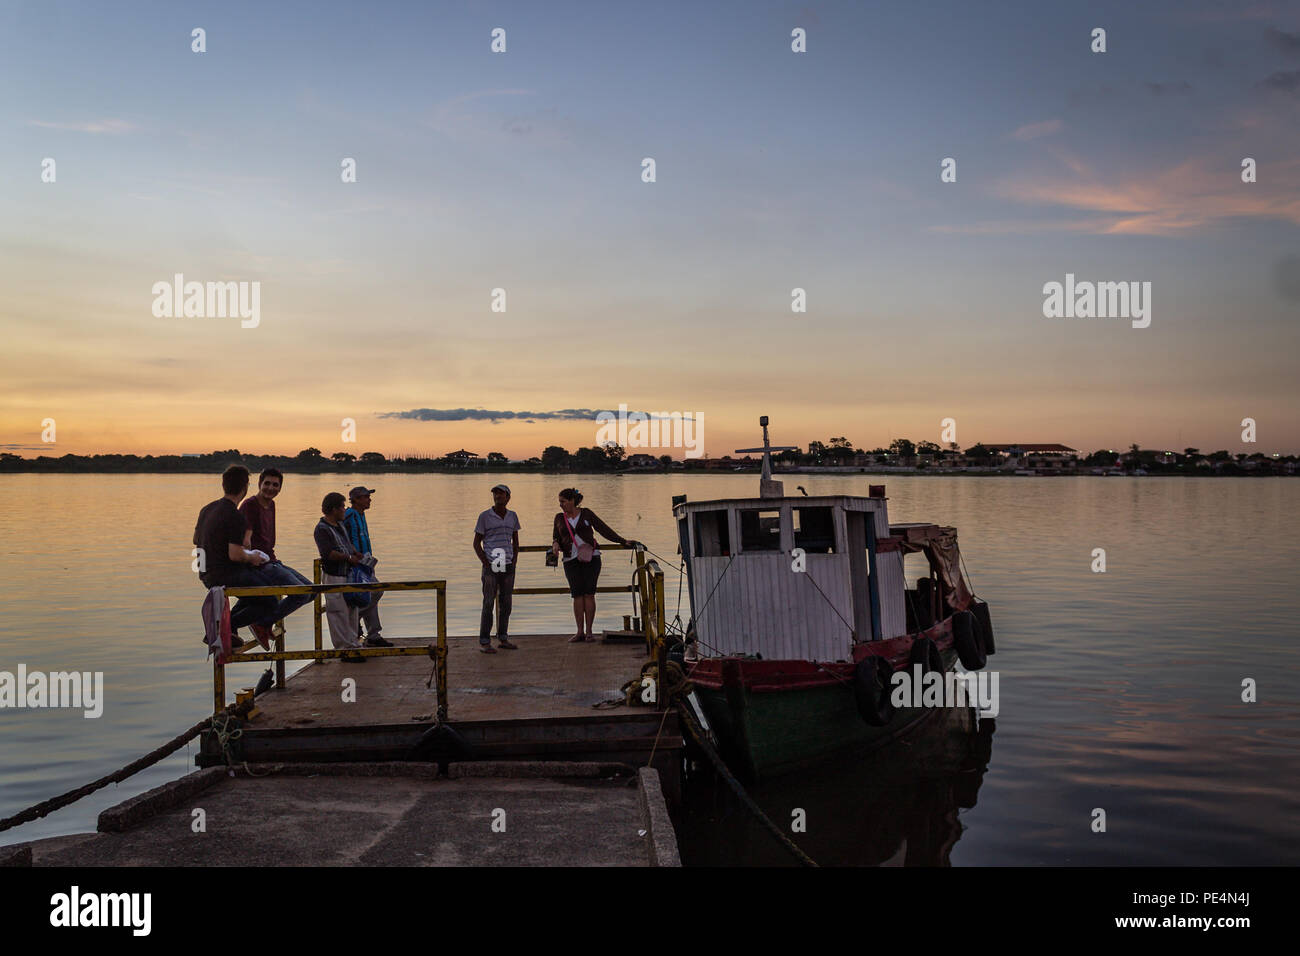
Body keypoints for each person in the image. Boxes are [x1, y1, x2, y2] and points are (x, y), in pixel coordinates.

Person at [193, 465, 305, 650]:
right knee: (269, 599)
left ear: (223, 485)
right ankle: (223, 629)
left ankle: (230, 628)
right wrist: (252, 557)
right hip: (226, 574)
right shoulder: (235, 515)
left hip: (205, 573)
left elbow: (196, 539)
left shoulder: (207, 509)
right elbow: (235, 555)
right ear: (246, 487)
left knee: (256, 593)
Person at [550, 488, 636, 642]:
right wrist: (555, 544)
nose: (561, 505)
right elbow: (556, 535)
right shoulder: (559, 517)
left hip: (592, 558)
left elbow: (603, 529)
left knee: (589, 594)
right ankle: (579, 632)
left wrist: (622, 541)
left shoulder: (586, 513)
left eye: (563, 501)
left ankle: (589, 632)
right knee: (576, 595)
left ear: (572, 501)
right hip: (570, 559)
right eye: (560, 502)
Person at [237, 467, 313, 637]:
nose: (271, 488)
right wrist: (250, 563)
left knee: (311, 591)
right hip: (259, 564)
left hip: (272, 560)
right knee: (300, 593)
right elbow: (245, 540)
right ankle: (262, 624)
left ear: (280, 487)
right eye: (267, 483)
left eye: (275, 485)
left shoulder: (271, 505)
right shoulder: (250, 505)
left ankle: (263, 622)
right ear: (259, 484)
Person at [314, 492, 366, 662]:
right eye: (342, 506)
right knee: (337, 612)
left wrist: (355, 552)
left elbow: (347, 543)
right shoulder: (321, 529)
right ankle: (344, 649)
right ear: (334, 509)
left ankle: (353, 644)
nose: (345, 509)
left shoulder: (340, 524)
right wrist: (348, 557)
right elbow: (328, 553)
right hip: (334, 575)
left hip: (348, 574)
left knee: (351, 610)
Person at [473, 483, 521, 654]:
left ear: (508, 497)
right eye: (495, 494)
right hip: (492, 564)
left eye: (501, 494)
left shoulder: (512, 516)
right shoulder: (485, 516)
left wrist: (514, 559)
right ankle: (485, 641)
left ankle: (503, 637)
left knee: (506, 603)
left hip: (507, 564)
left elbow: (515, 540)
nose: (498, 497)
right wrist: (486, 563)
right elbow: (476, 543)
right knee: (488, 603)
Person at [343, 486, 391, 647]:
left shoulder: (361, 515)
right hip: (356, 563)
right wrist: (352, 555)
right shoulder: (349, 515)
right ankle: (354, 619)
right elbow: (343, 538)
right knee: (376, 591)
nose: (369, 499)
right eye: (365, 497)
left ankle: (374, 634)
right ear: (355, 499)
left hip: (366, 563)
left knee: (372, 595)